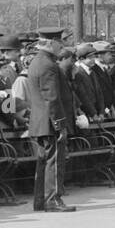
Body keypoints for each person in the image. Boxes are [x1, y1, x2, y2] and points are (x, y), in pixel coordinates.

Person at [26, 27, 75, 213]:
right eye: (59, 42)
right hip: (48, 121)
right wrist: (60, 123)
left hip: (40, 121)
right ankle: (52, 199)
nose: (61, 45)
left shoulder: (39, 62)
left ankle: (41, 200)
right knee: (54, 162)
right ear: (50, 43)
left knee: (44, 162)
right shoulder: (48, 65)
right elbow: (52, 98)